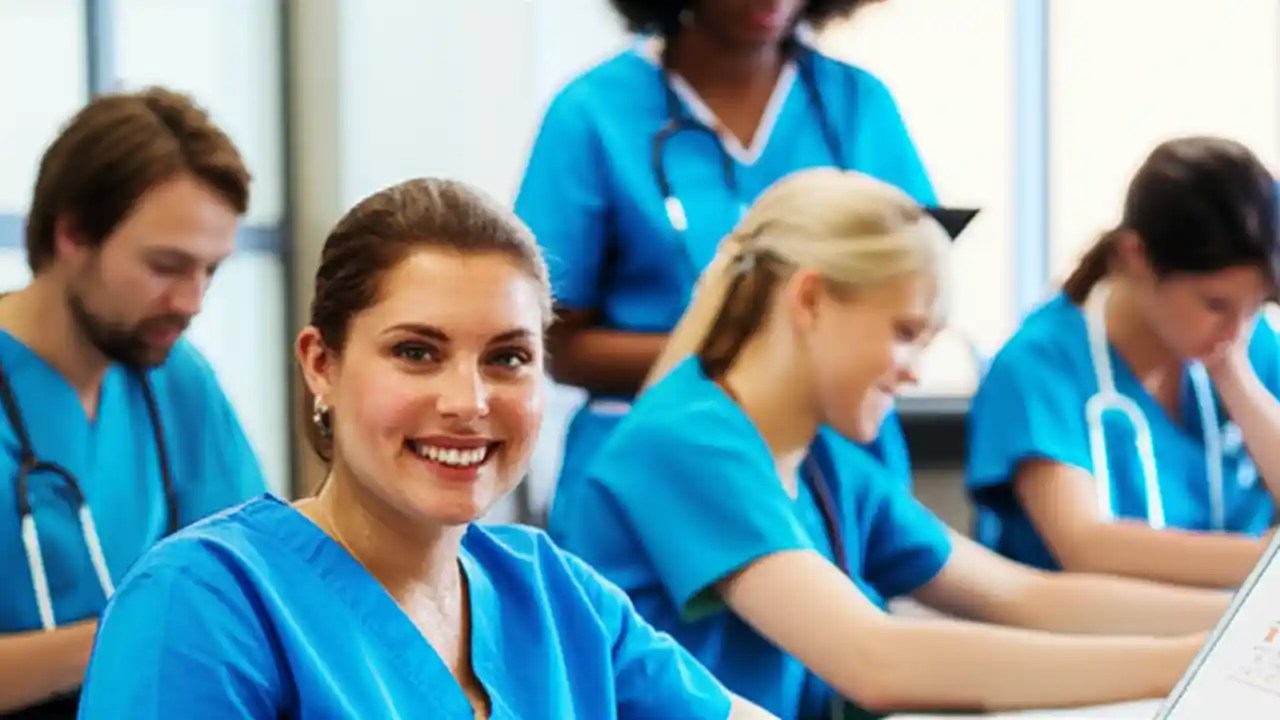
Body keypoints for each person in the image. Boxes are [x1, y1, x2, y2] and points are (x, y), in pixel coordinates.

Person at [76, 178, 776, 720]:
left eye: (508, 358)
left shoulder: (558, 598)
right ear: (322, 363)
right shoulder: (205, 602)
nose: (469, 402)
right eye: (416, 352)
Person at [552, 168, 1225, 719]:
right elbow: (874, 659)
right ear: (810, 300)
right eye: (906, 332)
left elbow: (1024, 597)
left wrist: (1241, 620)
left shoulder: (819, 461)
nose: (913, 370)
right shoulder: (684, 442)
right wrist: (1190, 659)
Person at [515, 0, 931, 534]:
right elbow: (555, 341)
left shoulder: (857, 106)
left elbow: (908, 298)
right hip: (661, 464)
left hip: (837, 466)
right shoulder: (593, 112)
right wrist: (757, 359)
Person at [0, 88, 268, 718]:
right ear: (71, 234)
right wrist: (135, 634)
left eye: (211, 270)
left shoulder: (176, 379)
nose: (191, 302)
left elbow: (252, 579)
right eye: (166, 266)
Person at [966, 136, 1280, 589]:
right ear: (1137, 256)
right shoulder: (1039, 365)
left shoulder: (1247, 348)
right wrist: (1264, 561)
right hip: (1090, 646)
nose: (1238, 330)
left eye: (1256, 307)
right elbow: (1086, 546)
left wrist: (1236, 380)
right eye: (1216, 303)